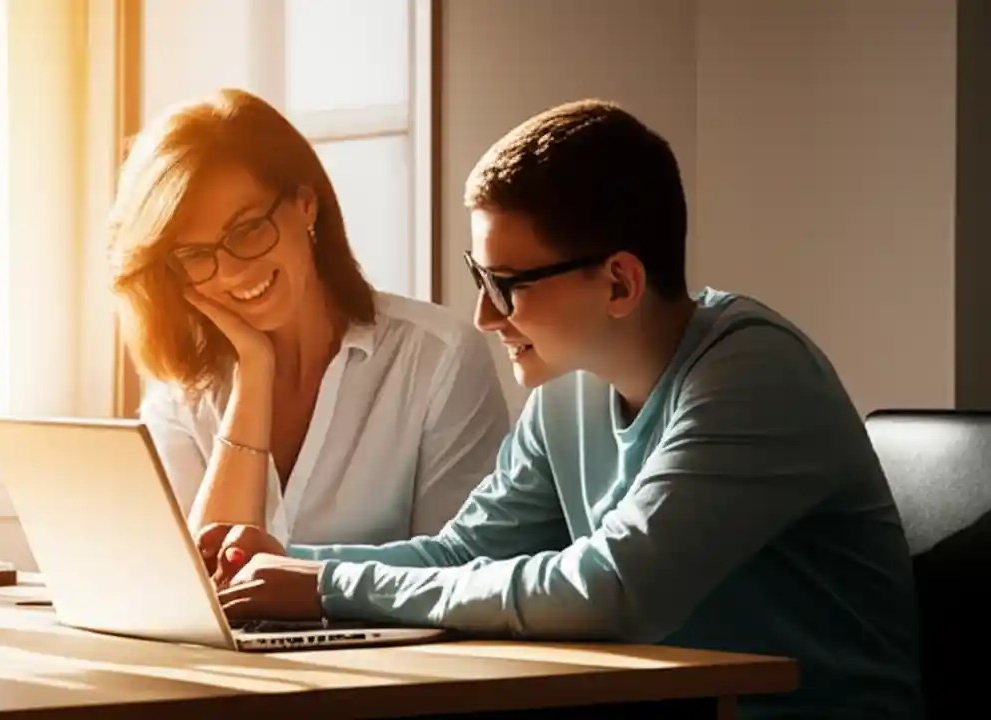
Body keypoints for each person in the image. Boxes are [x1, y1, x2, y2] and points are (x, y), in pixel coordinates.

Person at [198, 100, 924, 718]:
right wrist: (283, 566)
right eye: (476, 276)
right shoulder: (567, 385)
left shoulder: (754, 375)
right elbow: (465, 554)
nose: (484, 315)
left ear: (618, 284)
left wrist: (328, 585)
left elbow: (610, 590)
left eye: (508, 284)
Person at [106, 89, 509, 548]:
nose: (233, 270)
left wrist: (301, 581)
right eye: (196, 254)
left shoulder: (438, 357)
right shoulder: (182, 396)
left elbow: (458, 569)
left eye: (248, 229)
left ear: (305, 204)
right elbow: (203, 584)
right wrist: (254, 374)